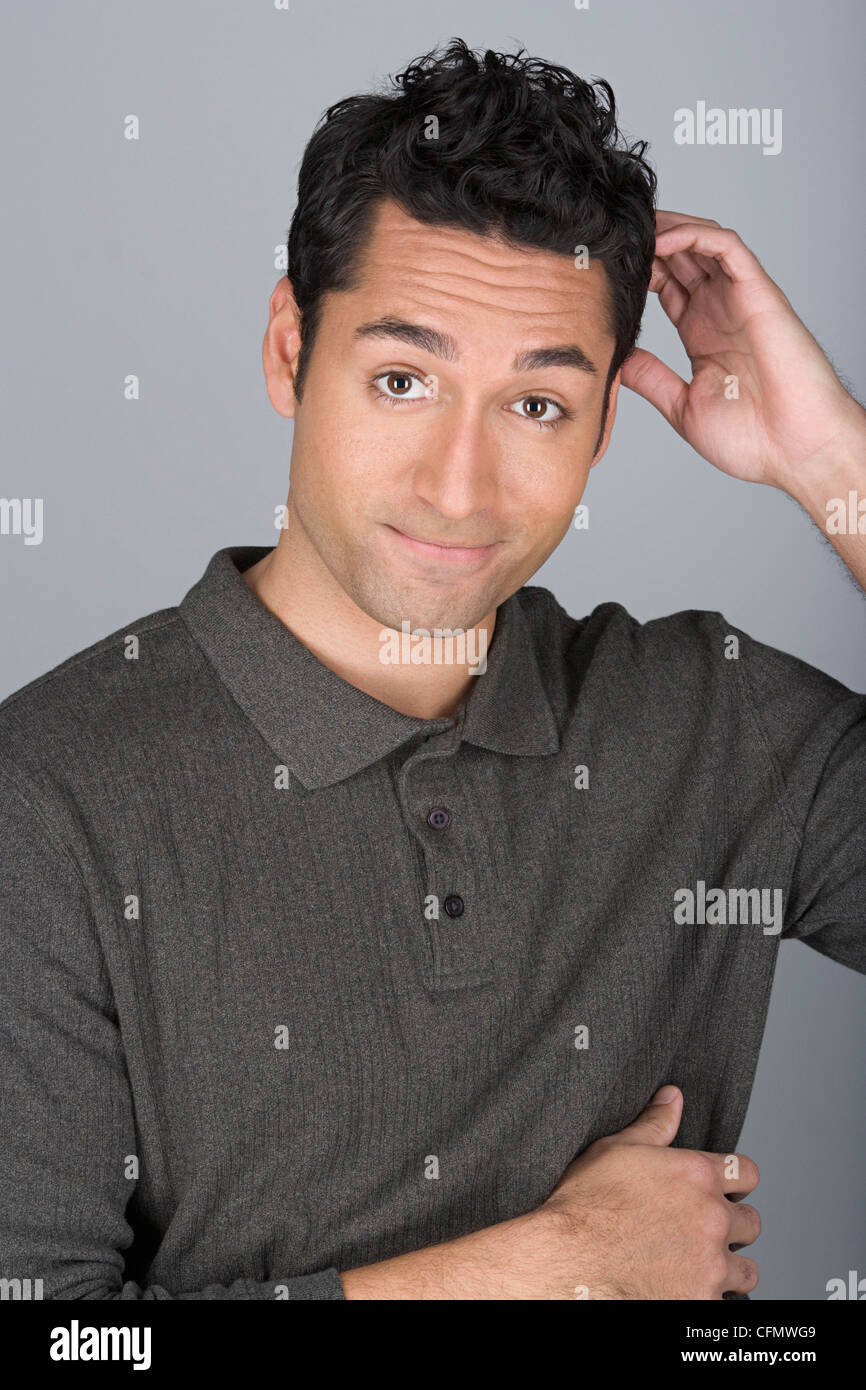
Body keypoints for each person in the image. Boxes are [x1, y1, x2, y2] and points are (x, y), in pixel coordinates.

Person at [1, 38, 864, 1302]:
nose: (458, 489)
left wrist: (830, 462)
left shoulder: (710, 722)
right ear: (292, 353)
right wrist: (545, 1269)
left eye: (536, 406)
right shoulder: (46, 795)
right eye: (403, 379)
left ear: (604, 426)